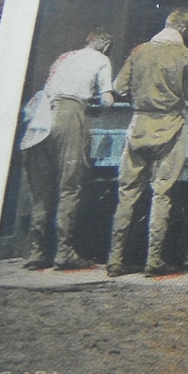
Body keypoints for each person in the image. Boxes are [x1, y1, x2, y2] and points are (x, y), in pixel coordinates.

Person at [108, 10, 188, 277]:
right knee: (162, 193)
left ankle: (115, 260)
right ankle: (153, 260)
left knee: (127, 193)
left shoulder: (138, 51)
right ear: (184, 30)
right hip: (170, 127)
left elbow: (119, 87)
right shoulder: (184, 55)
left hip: (138, 126)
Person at [20, 29, 115, 270]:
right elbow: (107, 99)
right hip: (70, 115)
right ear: (105, 45)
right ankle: (64, 252)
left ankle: (36, 252)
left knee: (41, 192)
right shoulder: (102, 59)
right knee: (70, 186)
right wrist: (97, 110)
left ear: (87, 40)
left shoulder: (64, 57)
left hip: (41, 115)